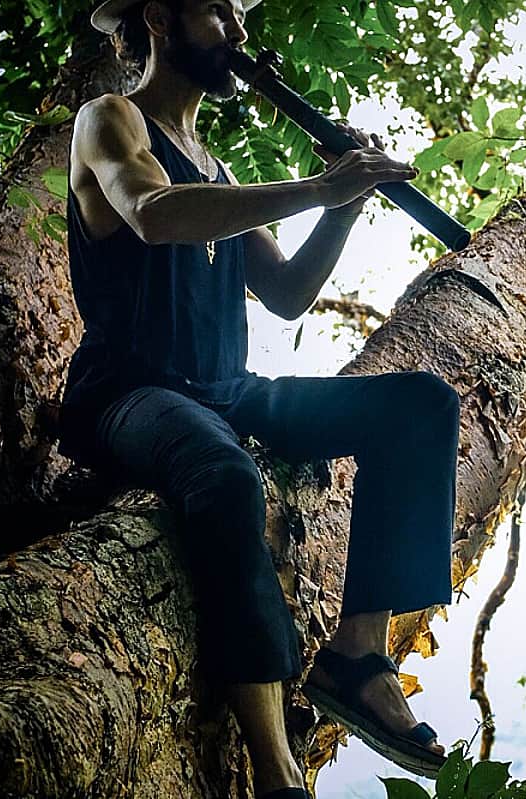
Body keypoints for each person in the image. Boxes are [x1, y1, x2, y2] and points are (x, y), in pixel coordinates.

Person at [58, 0, 459, 795]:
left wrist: (344, 205)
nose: (238, 32)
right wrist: (317, 184)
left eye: (240, 15)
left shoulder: (218, 168)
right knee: (226, 477)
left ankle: (357, 654)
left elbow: (285, 293)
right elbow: (151, 212)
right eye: (218, 12)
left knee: (421, 407)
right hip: (130, 393)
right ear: (159, 18)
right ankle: (276, 773)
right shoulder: (110, 120)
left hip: (229, 391)